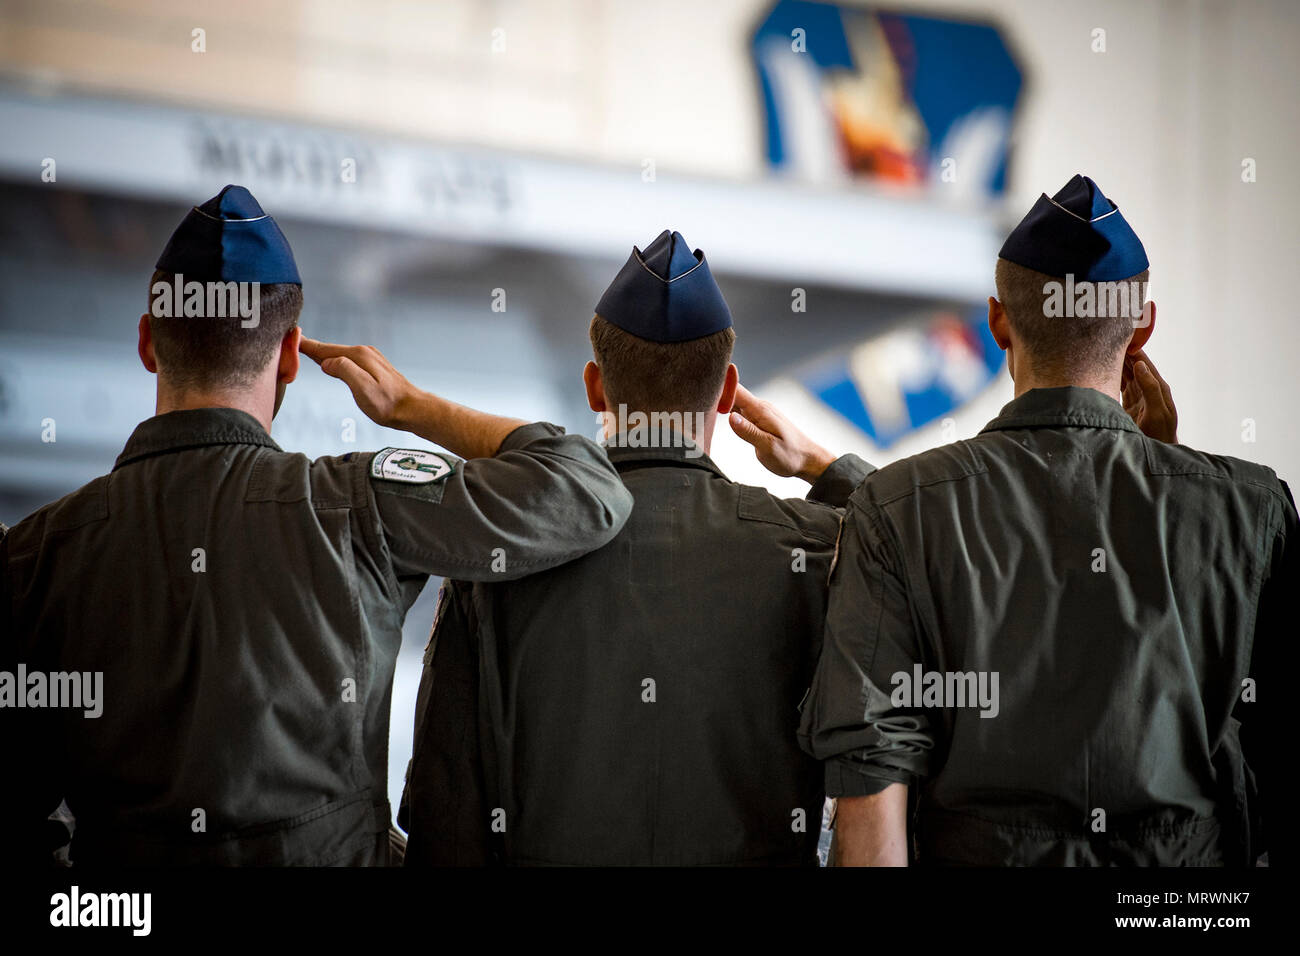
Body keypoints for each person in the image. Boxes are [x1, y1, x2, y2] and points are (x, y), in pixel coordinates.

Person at [0, 184, 632, 866]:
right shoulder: (356, 504)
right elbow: (584, 488)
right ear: (293, 354)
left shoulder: (35, 556)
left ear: (150, 342)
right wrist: (414, 409)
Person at [799, 174, 1295, 866]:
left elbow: (872, 773)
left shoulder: (895, 508)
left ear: (999, 321)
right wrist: (1169, 477)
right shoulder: (1252, 510)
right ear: (1143, 325)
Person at [399, 229, 874, 865]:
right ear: (728, 391)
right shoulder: (819, 555)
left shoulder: (501, 562)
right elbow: (926, 559)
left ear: (597, 387)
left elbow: (445, 817)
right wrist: (827, 468)